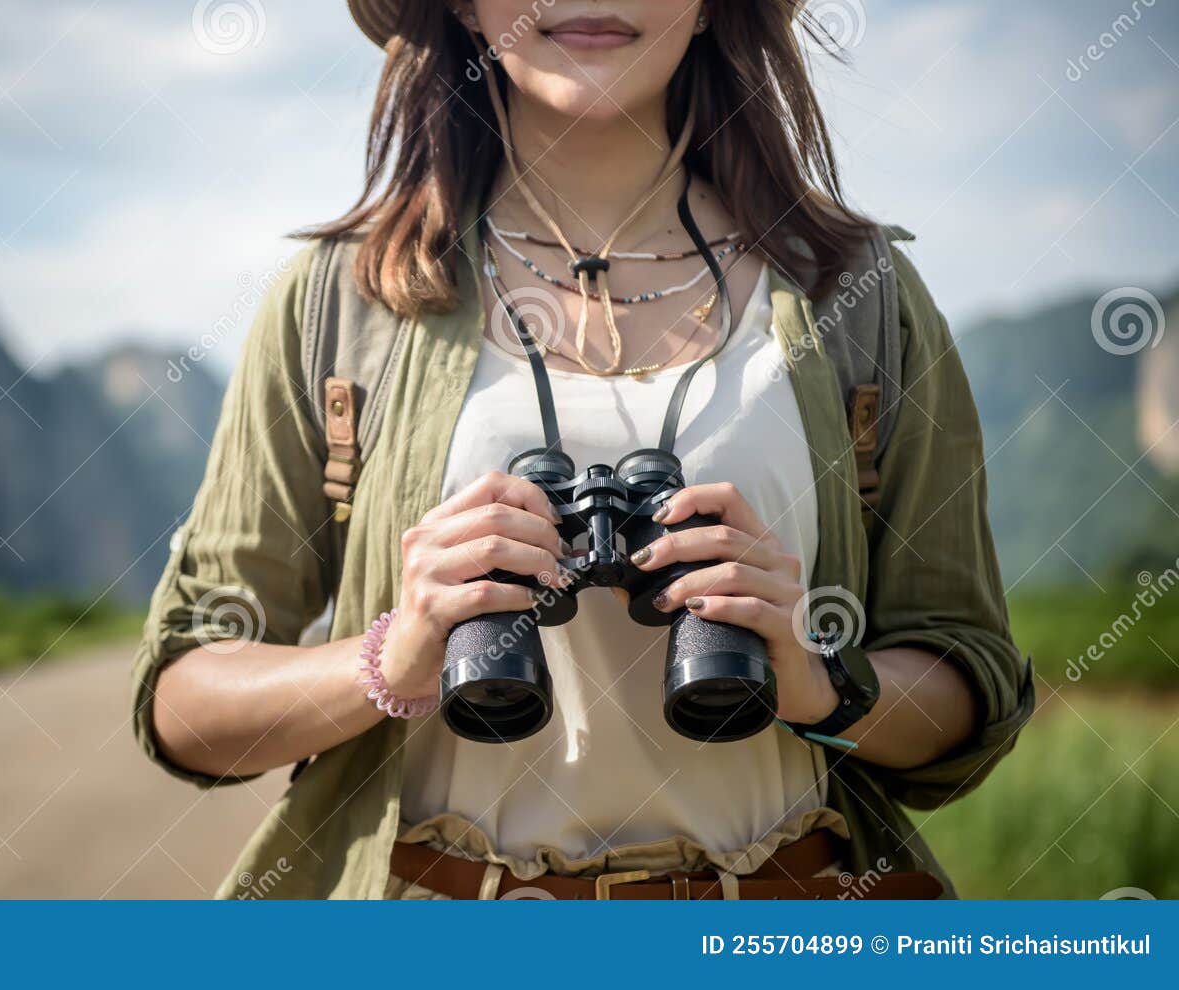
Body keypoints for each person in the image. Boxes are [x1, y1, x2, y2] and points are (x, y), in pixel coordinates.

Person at [132, 0, 1034, 899]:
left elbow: (969, 678)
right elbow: (184, 700)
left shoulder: (859, 298)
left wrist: (814, 675)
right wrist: (394, 657)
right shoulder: (344, 301)